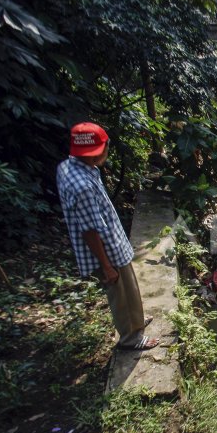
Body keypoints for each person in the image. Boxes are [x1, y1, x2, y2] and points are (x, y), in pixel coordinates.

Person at [57, 122, 159, 350]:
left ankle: (138, 320)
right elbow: (90, 230)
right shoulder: (82, 186)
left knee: (129, 286)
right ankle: (130, 337)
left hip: (112, 243)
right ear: (98, 151)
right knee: (119, 295)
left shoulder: (69, 167)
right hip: (104, 250)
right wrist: (105, 266)